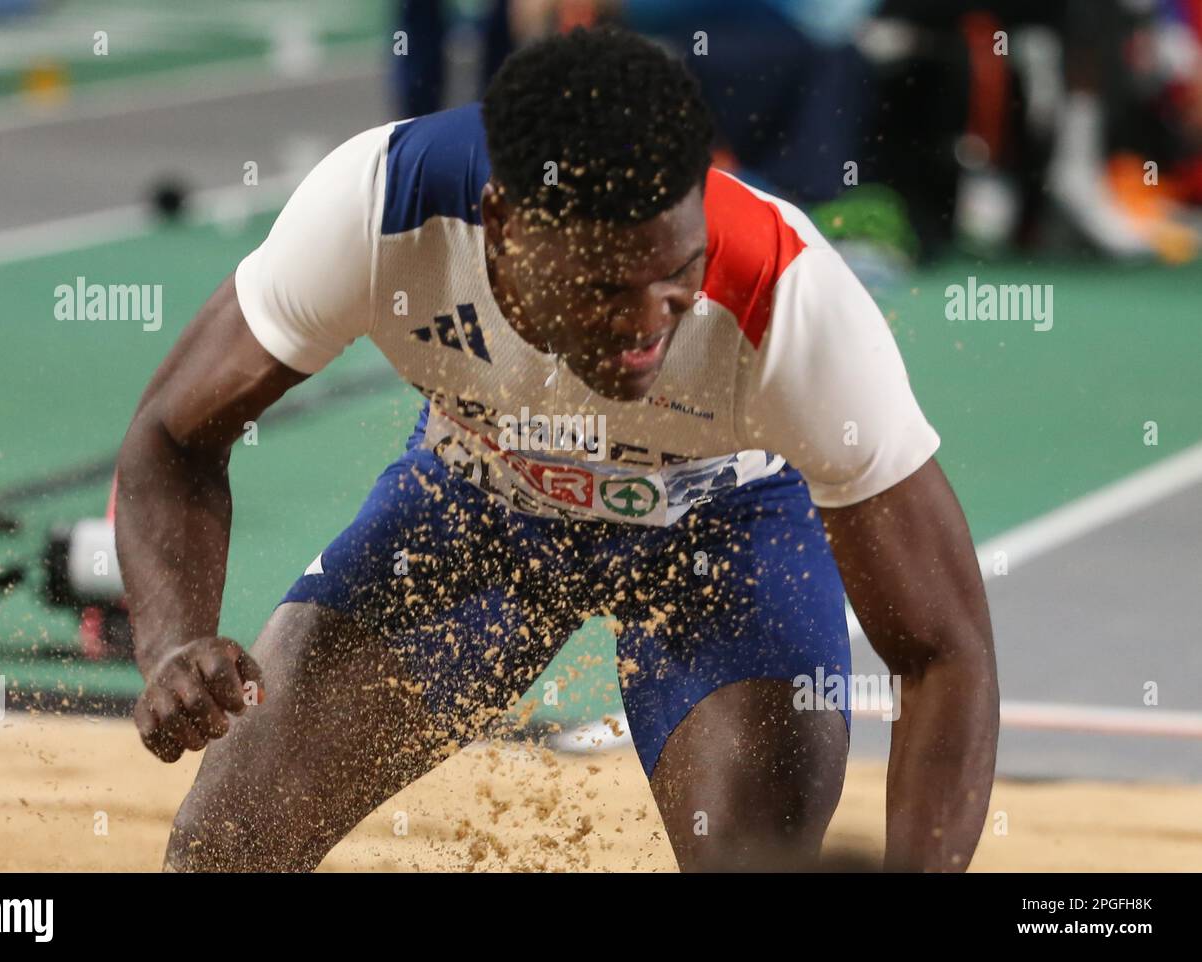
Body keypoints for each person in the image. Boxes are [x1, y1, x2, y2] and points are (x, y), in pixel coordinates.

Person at [115, 26, 998, 872]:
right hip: (474, 507)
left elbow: (943, 652)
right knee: (223, 848)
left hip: (724, 532)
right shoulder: (379, 207)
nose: (652, 325)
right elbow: (172, 434)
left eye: (678, 275)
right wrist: (171, 642)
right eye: (608, 288)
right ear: (501, 224)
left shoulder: (791, 298)